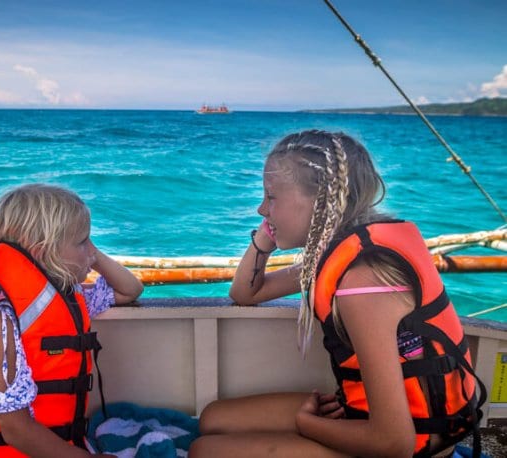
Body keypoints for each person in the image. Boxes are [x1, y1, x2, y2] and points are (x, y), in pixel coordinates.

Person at [190, 130, 484, 457]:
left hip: (410, 441)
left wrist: (308, 424)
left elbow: (394, 444)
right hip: (365, 415)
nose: (261, 209)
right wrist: (264, 239)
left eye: (271, 197)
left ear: (321, 201)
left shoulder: (362, 281)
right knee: (212, 418)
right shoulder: (341, 253)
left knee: (205, 451)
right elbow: (246, 292)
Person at [0, 183, 143, 457]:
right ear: (43, 250)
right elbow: (15, 429)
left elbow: (129, 289)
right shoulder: (3, 316)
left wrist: (88, 252)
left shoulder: (60, 294)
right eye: (82, 241)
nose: (92, 252)